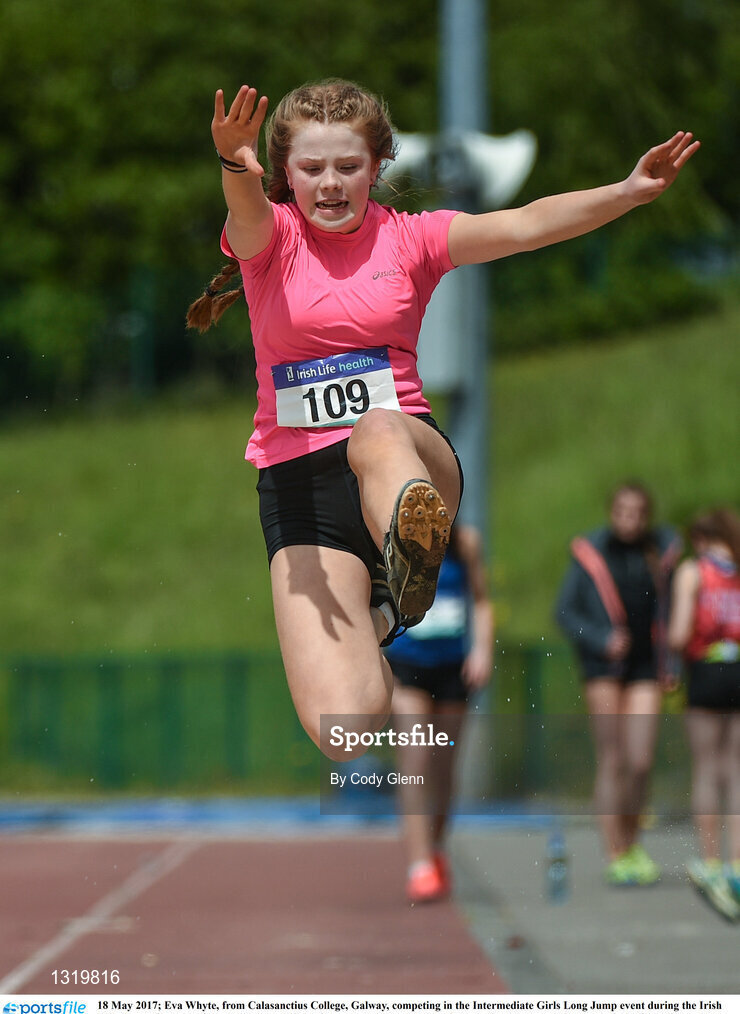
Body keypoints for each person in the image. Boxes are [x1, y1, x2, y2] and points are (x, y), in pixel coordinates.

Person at [187, 78, 698, 760]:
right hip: (300, 487)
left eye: (348, 166)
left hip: (407, 456)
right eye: (312, 169)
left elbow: (525, 225)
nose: (331, 184)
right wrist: (231, 163)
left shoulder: (412, 240)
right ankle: (394, 608)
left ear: (377, 166)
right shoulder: (271, 241)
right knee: (344, 732)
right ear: (285, 173)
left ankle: (411, 541)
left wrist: (627, 191)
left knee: (375, 426)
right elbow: (245, 210)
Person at [554, 482, 682, 885]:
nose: (630, 519)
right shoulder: (591, 551)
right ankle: (614, 852)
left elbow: (675, 609)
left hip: (646, 665)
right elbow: (565, 611)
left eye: (638, 512)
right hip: (604, 669)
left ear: (647, 515)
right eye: (623, 511)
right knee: (614, 758)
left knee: (640, 761)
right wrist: (600, 638)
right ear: (613, 512)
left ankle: (632, 841)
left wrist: (673, 659)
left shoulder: (662, 553)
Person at [384, 523, 494, 903]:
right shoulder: (396, 536)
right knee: (414, 762)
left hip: (452, 669)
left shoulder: (465, 541)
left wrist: (482, 650)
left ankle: (434, 847)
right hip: (408, 666)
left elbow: (480, 599)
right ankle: (418, 864)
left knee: (444, 766)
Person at [668, 508, 740, 923]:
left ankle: (710, 861)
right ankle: (736, 864)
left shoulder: (695, 571)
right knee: (736, 770)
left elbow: (679, 632)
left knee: (707, 770)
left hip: (708, 674)